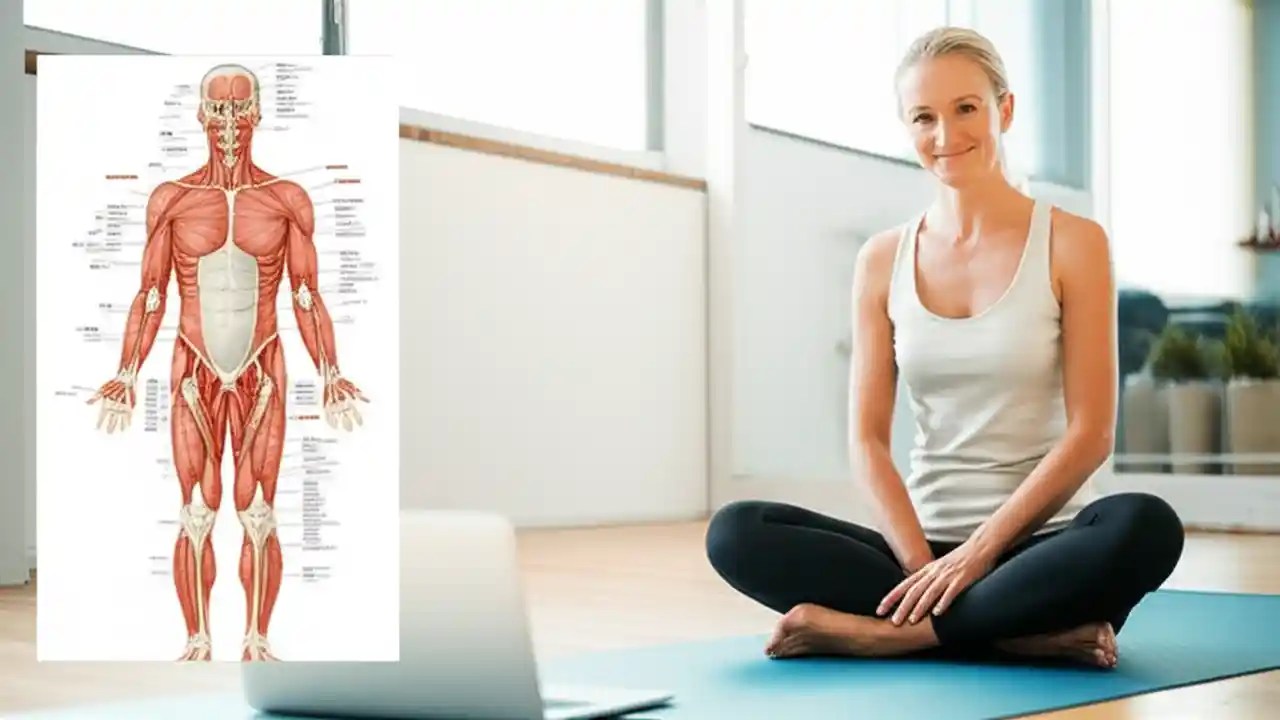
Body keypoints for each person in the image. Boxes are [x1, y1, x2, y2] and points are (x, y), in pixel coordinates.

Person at [704, 26, 1185, 669]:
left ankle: (889, 636)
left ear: (1003, 110)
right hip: (922, 550)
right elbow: (868, 442)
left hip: (1047, 547)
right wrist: (925, 567)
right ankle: (1015, 633)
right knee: (736, 531)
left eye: (966, 109)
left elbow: (1092, 432)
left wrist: (980, 555)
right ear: (906, 127)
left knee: (1145, 526)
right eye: (923, 117)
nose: (944, 135)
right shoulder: (881, 259)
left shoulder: (1075, 243)